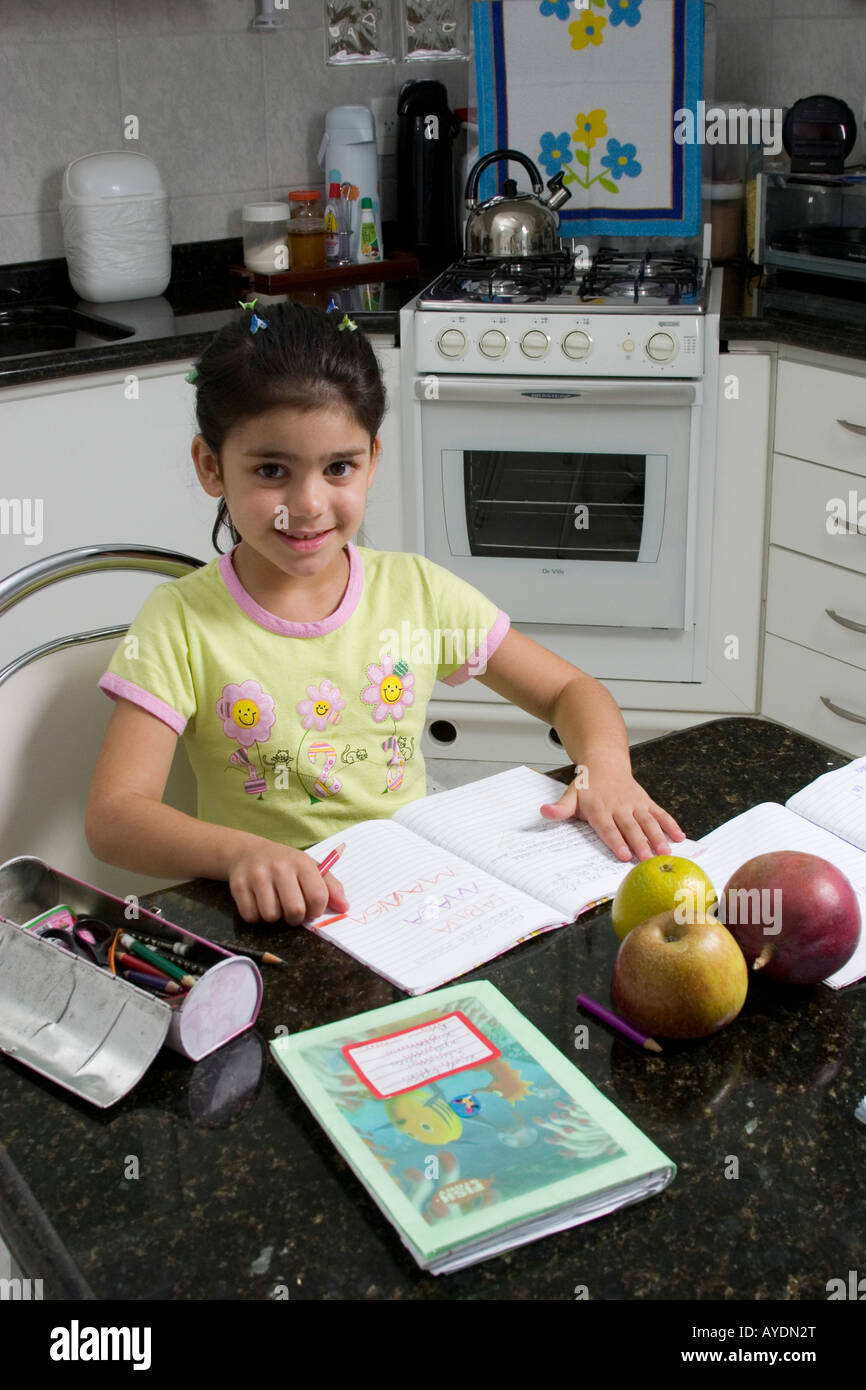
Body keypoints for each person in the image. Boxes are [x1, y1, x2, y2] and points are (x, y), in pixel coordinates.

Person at [86, 301, 685, 926]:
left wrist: (606, 772)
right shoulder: (178, 621)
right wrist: (241, 853)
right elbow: (114, 817)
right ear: (211, 466)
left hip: (417, 899)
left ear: (372, 460)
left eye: (338, 467)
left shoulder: (417, 592)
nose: (309, 504)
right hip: (277, 922)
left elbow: (571, 689)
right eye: (271, 470)